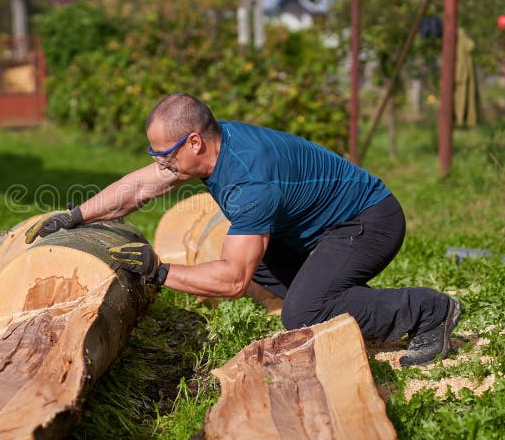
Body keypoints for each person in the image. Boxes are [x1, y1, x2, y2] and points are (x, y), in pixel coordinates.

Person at [25, 93, 461, 366]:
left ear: (194, 142)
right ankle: (337, 301)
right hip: (324, 229)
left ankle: (430, 312)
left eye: (165, 155)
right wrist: (76, 216)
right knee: (272, 271)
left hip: (367, 222)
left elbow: (232, 281)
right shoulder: (215, 146)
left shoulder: (248, 180)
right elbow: (142, 185)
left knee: (302, 313)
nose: (162, 165)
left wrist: (158, 272)